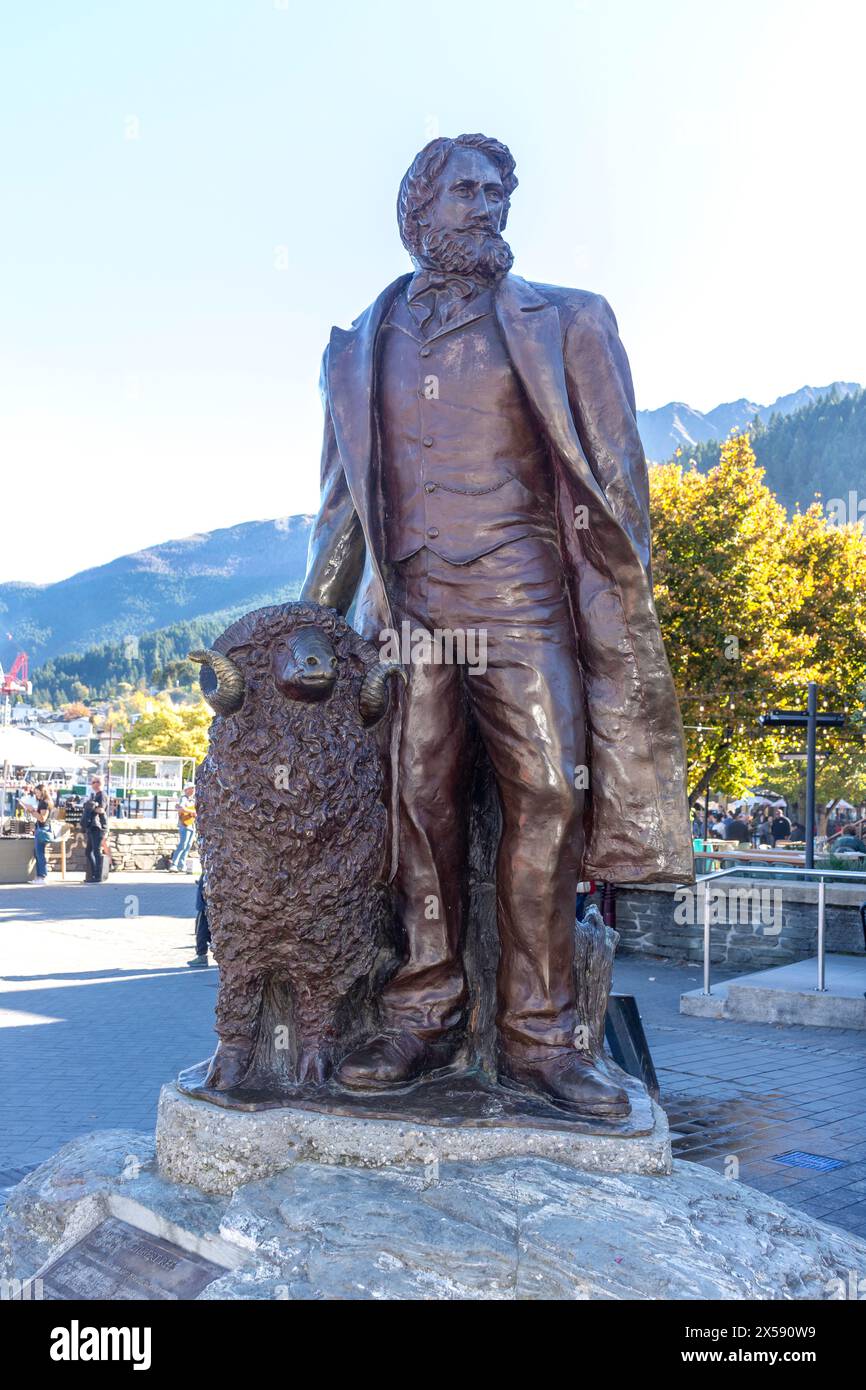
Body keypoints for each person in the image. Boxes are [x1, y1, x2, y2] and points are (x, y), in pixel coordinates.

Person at [299, 132, 693, 1113]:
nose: (487, 206)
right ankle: (421, 1014)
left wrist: (616, 606)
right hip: (413, 615)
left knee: (551, 796)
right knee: (417, 812)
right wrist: (313, 625)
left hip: (523, 602)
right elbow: (341, 513)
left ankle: (540, 1037)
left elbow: (616, 488)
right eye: (465, 190)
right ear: (417, 210)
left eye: (495, 191)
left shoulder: (568, 323)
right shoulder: (357, 348)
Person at [81, 776, 108, 883]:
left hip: (98, 827)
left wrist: (91, 807)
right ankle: (93, 874)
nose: (91, 784)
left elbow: (102, 810)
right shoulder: (96, 795)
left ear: (98, 783)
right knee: (89, 852)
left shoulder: (102, 795)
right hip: (93, 826)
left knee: (96, 852)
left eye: (93, 782)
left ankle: (97, 876)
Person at [170, 784, 197, 872]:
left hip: (192, 824)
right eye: (191, 788)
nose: (193, 789)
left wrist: (192, 812)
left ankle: (182, 865)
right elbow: (181, 808)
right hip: (184, 824)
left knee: (188, 845)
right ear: (187, 789)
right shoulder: (184, 798)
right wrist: (192, 811)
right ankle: (174, 864)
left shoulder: (194, 799)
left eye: (193, 788)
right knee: (183, 844)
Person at [187, 876, 212, 967]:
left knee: (201, 932)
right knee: (207, 932)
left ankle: (201, 955)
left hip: (204, 906)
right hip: (206, 905)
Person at [32, 782, 55, 884]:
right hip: (43, 828)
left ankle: (42, 876)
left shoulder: (44, 803)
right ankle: (39, 876)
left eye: (37, 792)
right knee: (38, 853)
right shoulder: (46, 802)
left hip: (42, 829)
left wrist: (31, 811)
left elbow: (42, 818)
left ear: (42, 792)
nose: (36, 795)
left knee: (39, 853)